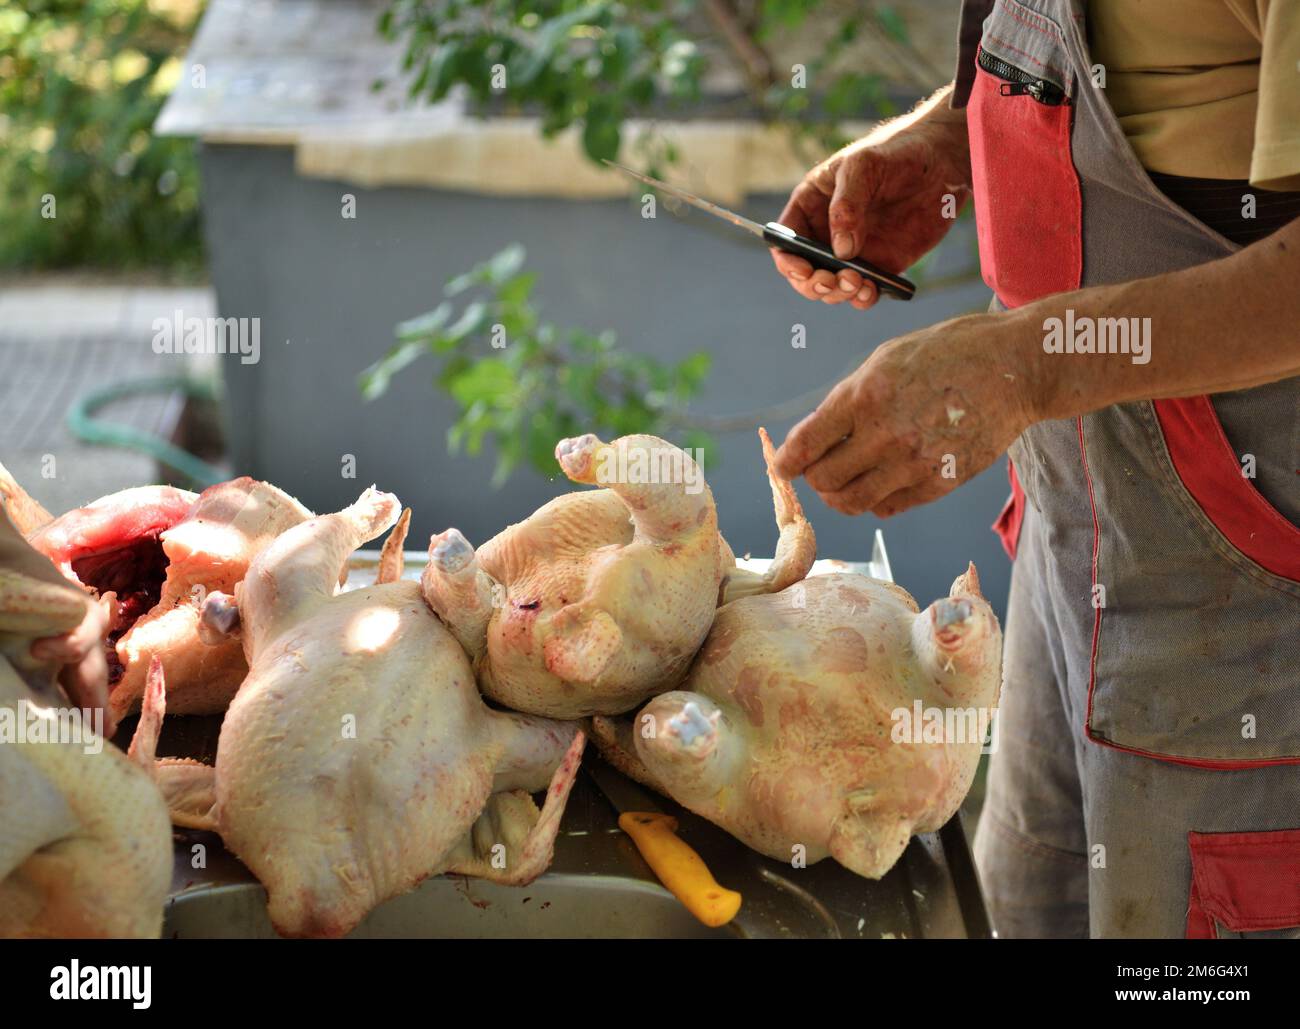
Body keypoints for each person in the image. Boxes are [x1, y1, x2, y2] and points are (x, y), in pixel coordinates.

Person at [769, 0, 1300, 938]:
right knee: (1030, 911)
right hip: (1076, 560)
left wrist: (1029, 363)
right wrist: (947, 138)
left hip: (1251, 607)